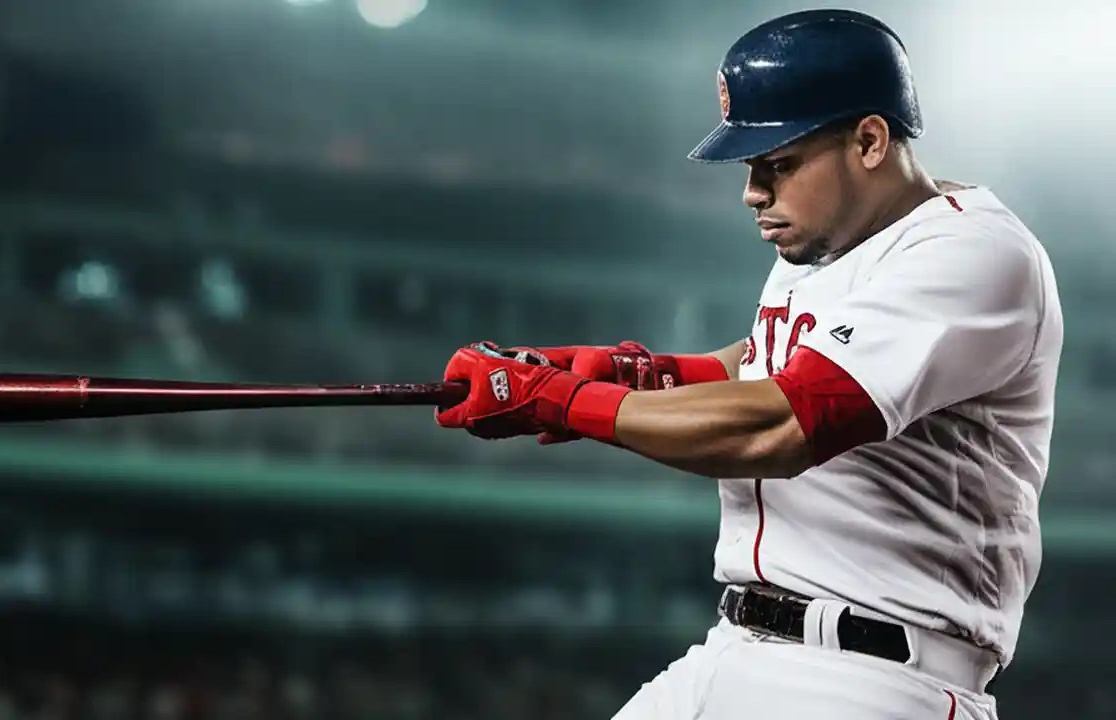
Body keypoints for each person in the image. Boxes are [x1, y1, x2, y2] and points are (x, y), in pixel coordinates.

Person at [434, 9, 1062, 720]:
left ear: (870, 140)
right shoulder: (826, 242)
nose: (753, 192)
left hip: (878, 678)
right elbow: (764, 367)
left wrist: (561, 401)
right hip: (737, 647)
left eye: (779, 164)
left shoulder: (973, 254)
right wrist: (632, 374)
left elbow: (787, 422)